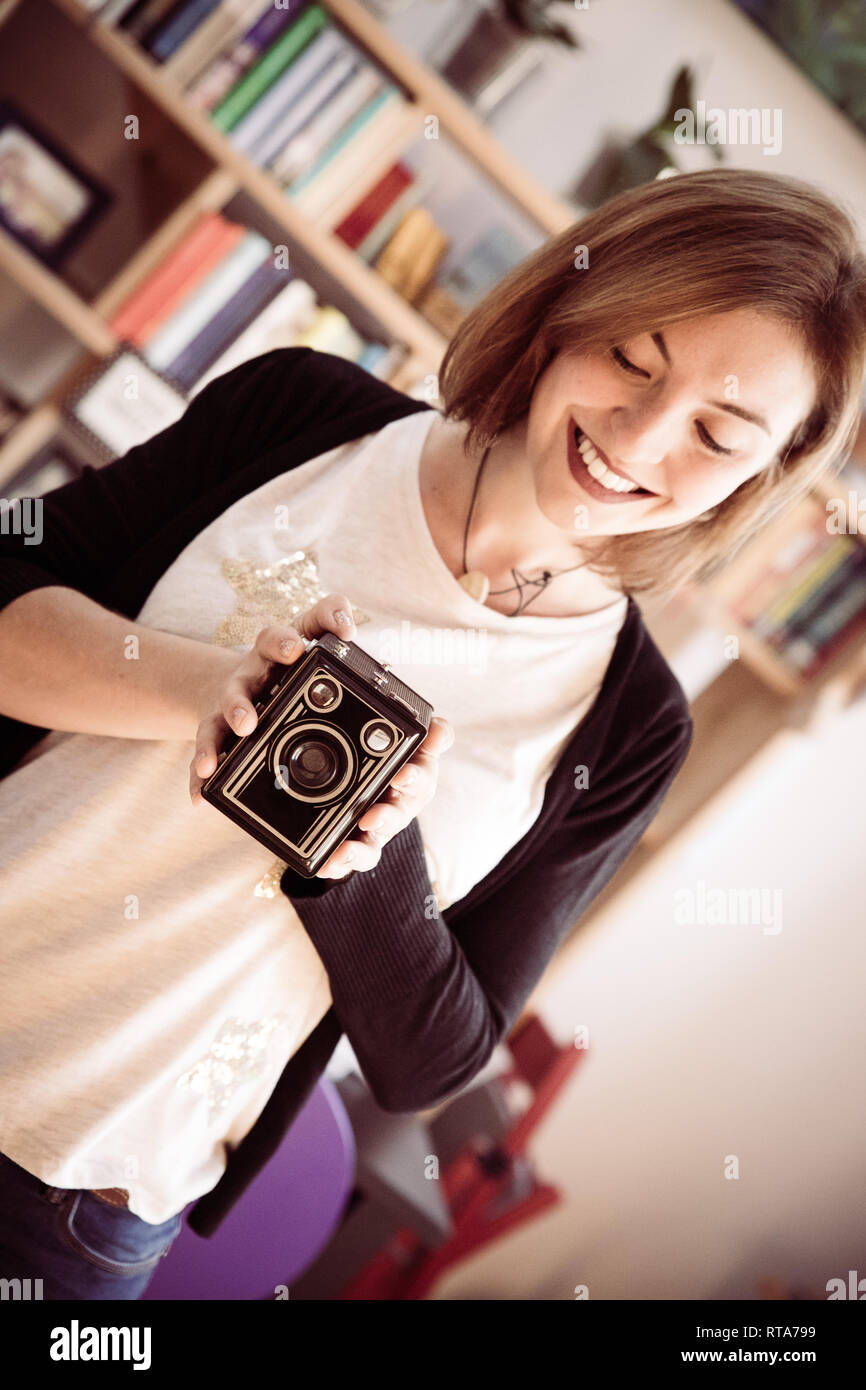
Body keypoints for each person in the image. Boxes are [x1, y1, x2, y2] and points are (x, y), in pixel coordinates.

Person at [0, 168, 864, 1300]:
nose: (638, 439)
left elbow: (434, 1060)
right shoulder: (300, 415)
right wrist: (199, 688)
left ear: (762, 475)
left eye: (714, 433)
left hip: (81, 1200)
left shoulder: (631, 719)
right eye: (629, 359)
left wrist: (365, 858)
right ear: (563, 317)